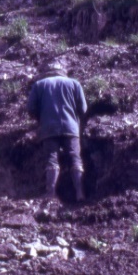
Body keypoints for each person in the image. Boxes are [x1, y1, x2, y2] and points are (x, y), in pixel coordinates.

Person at [27, 60, 87, 202]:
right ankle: (80, 193)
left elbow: (30, 109)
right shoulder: (74, 83)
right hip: (71, 127)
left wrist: (40, 117)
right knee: (74, 158)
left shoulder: (39, 85)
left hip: (48, 128)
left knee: (51, 160)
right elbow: (83, 109)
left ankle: (50, 194)